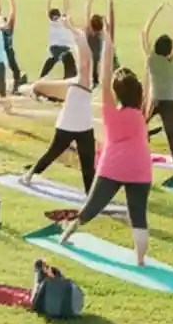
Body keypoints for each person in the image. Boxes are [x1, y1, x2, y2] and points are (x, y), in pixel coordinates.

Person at [57, 25, 151, 266]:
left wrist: (108, 43)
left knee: (90, 209)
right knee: (138, 217)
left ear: (117, 94)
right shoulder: (141, 113)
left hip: (113, 167)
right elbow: (136, 78)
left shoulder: (110, 112)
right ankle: (140, 260)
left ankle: (65, 237)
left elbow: (106, 75)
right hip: (141, 170)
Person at [22, 13, 98, 192]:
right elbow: (85, 57)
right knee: (52, 153)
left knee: (88, 163)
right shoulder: (78, 80)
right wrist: (72, 29)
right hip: (69, 125)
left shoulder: (83, 80)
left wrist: (71, 28)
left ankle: (91, 194)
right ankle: (30, 174)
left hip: (83, 126)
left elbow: (86, 58)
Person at [143, 3, 173, 164]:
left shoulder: (151, 59)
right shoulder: (172, 62)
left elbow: (144, 33)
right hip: (169, 99)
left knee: (139, 124)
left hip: (154, 99)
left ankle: (141, 147)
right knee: (171, 130)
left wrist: (154, 13)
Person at [85, 0, 118, 88]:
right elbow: (112, 23)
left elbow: (87, 13)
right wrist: (110, 5)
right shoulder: (107, 38)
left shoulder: (88, 35)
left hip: (93, 72)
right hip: (109, 71)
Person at [39, 0, 75, 79]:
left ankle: (68, 79)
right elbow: (65, 8)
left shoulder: (58, 20)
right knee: (57, 59)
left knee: (61, 59)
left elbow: (65, 8)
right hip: (58, 48)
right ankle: (43, 76)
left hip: (60, 48)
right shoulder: (58, 20)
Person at [1, 0, 26, 88]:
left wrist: (11, 1)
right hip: (7, 52)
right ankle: (15, 86)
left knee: (15, 70)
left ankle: (15, 86)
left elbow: (12, 16)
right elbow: (12, 16)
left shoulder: (3, 29)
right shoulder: (6, 29)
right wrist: (11, 1)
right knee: (15, 70)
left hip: (5, 52)